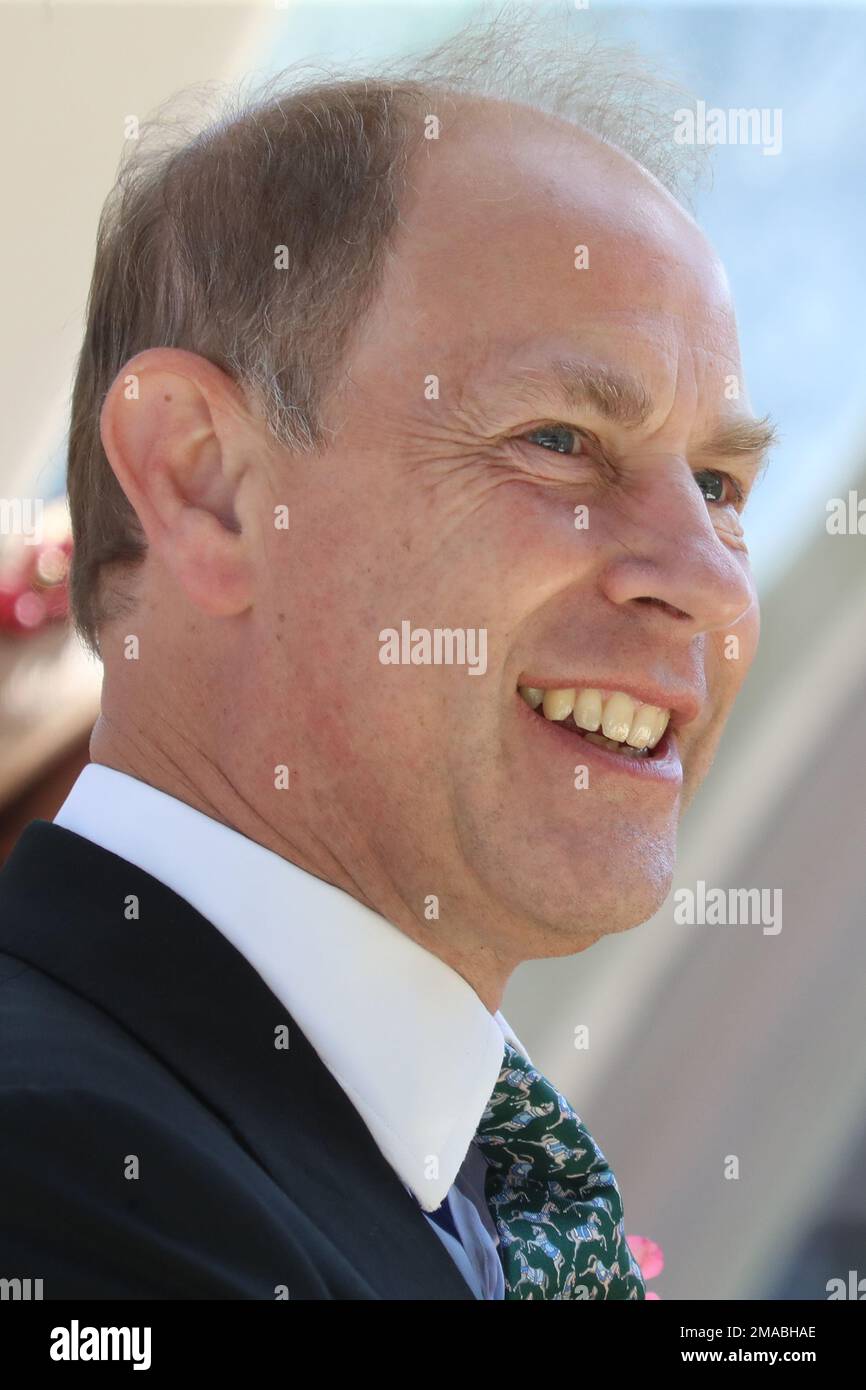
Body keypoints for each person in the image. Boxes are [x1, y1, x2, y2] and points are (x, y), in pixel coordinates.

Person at [0, 9, 775, 1299]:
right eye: (561, 441)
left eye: (720, 483)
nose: (705, 583)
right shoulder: (57, 1185)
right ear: (203, 483)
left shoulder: (432, 1188)